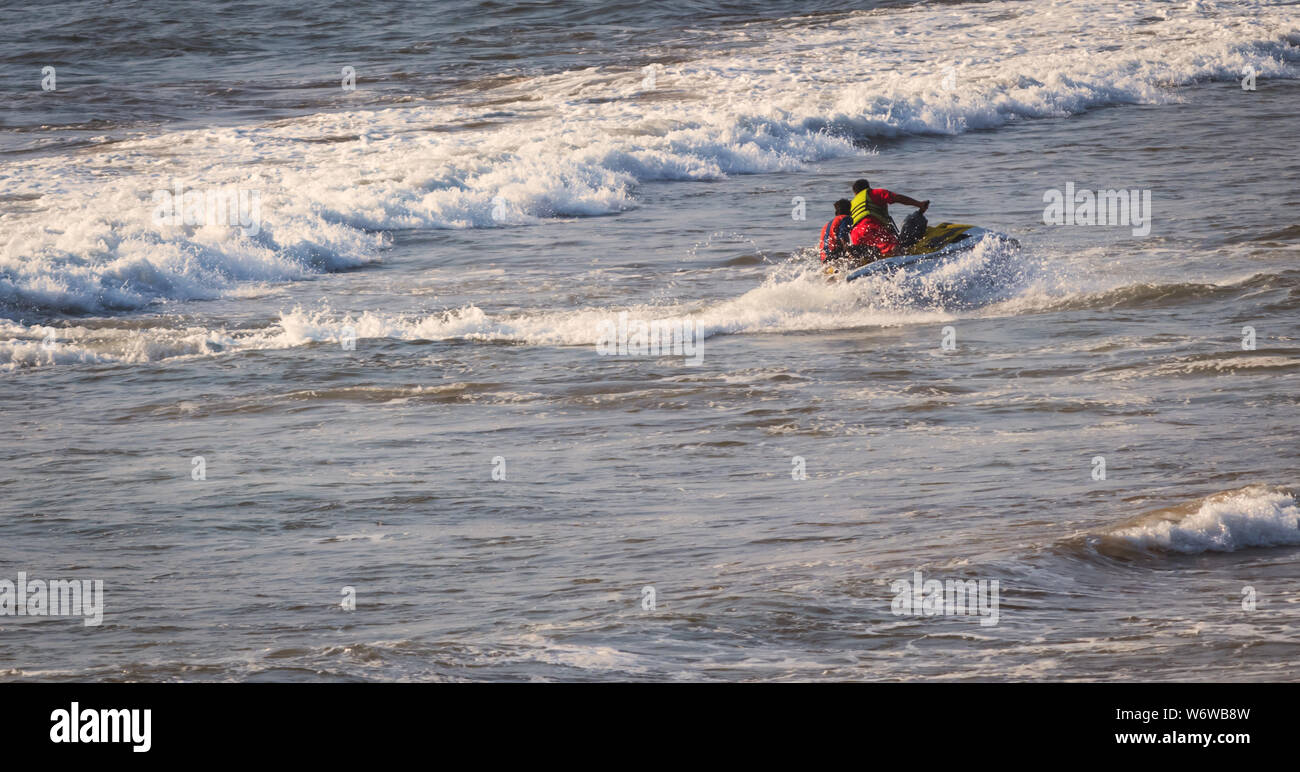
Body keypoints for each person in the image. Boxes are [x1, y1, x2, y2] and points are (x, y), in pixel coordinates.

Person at [848, 178, 930, 260]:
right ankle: (907, 262)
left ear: (855, 193)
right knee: (894, 247)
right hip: (869, 228)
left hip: (855, 235)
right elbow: (897, 198)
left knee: (873, 255)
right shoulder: (874, 193)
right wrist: (919, 204)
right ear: (868, 187)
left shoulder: (851, 204)